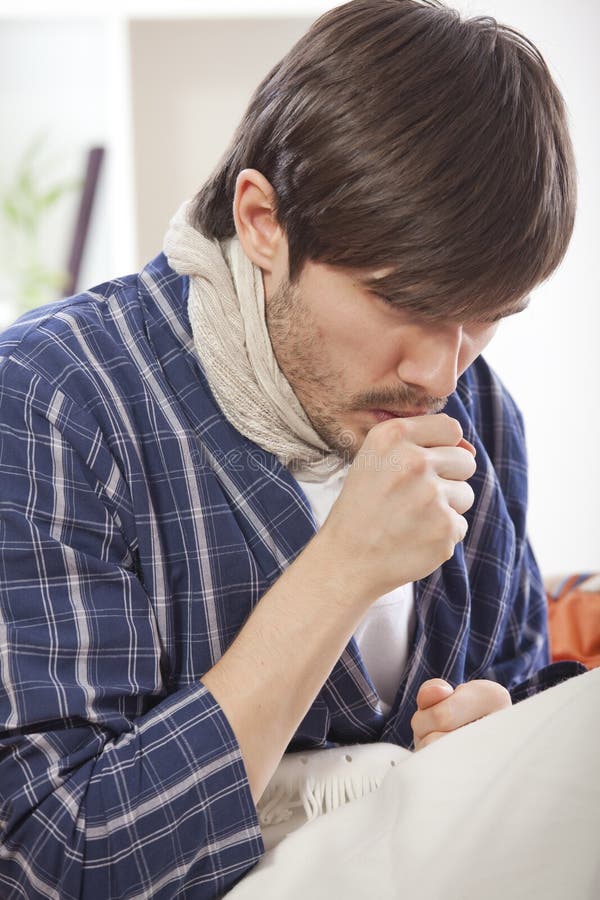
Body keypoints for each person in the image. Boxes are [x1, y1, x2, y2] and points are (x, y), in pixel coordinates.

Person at [0, 1, 587, 897]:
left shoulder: (483, 410)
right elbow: (50, 861)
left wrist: (485, 740)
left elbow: (509, 695)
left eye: (487, 318)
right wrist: (339, 571)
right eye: (404, 302)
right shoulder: (50, 401)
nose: (439, 368)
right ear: (264, 221)